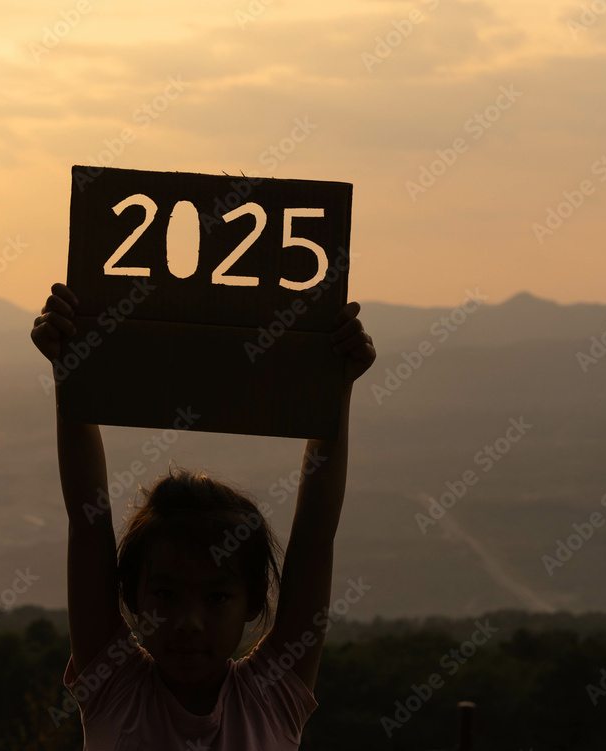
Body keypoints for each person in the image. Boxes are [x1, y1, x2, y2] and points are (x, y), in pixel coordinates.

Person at [31, 281, 376, 750]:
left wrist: (335, 385)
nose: (188, 622)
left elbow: (315, 538)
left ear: (254, 602)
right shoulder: (114, 686)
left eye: (216, 598)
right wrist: (70, 371)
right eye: (167, 594)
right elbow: (88, 522)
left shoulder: (272, 698)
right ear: (130, 597)